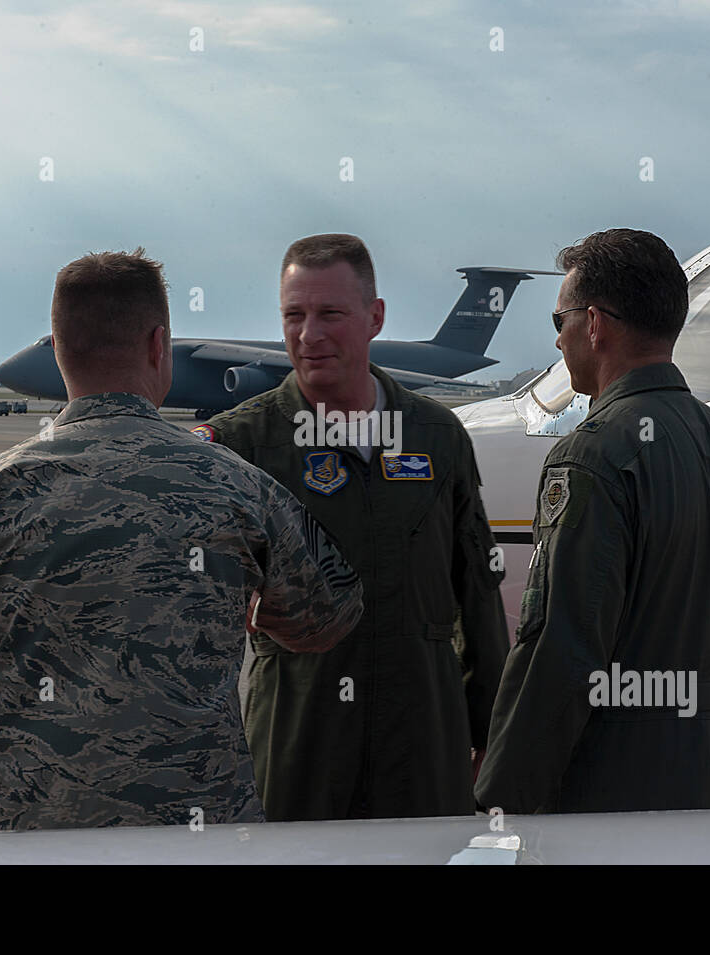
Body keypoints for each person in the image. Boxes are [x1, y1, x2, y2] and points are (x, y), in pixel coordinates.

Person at [0, 250, 363, 835]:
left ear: (60, 350)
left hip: (25, 837)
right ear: (160, 345)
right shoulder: (237, 485)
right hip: (196, 838)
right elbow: (327, 618)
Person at [195, 233, 509, 821]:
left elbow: (478, 594)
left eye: (330, 314)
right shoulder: (245, 445)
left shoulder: (436, 436)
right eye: (295, 315)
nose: (309, 336)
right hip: (299, 746)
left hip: (425, 746)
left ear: (375, 317)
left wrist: (489, 728)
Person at [474, 228, 710, 814]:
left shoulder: (592, 456)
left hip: (614, 796)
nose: (559, 341)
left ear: (594, 324)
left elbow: (561, 648)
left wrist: (498, 797)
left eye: (558, 321)